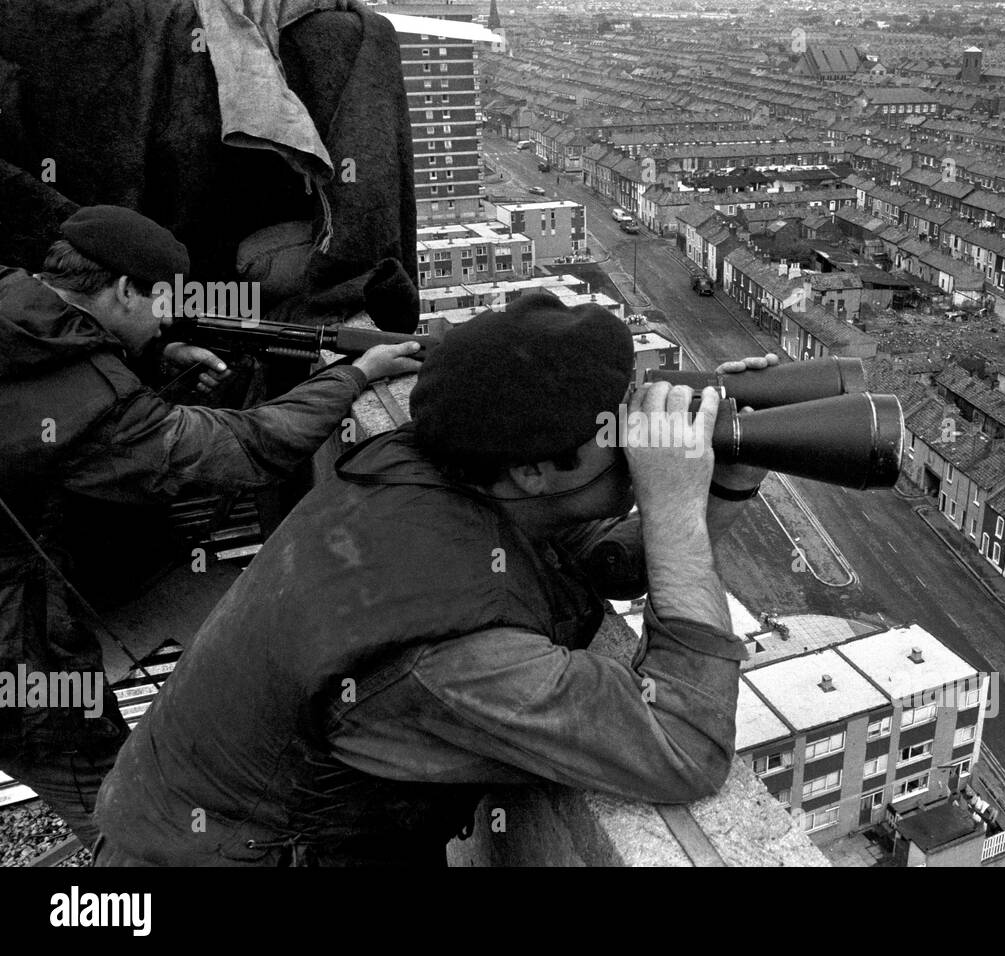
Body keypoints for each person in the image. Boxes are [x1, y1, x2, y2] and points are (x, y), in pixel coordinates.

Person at [94, 291, 775, 866]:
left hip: (173, 799)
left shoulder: (432, 466)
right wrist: (674, 505)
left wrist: (727, 482)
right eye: (611, 417)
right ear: (535, 470)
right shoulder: (451, 648)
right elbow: (684, 743)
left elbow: (596, 565)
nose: (631, 425)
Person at [0, 205, 421, 849]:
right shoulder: (81, 394)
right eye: (159, 304)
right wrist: (356, 375)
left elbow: (54, 384)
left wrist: (145, 349)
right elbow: (247, 447)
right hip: (14, 652)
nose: (168, 318)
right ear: (121, 290)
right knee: (116, 797)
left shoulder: (12, 302)